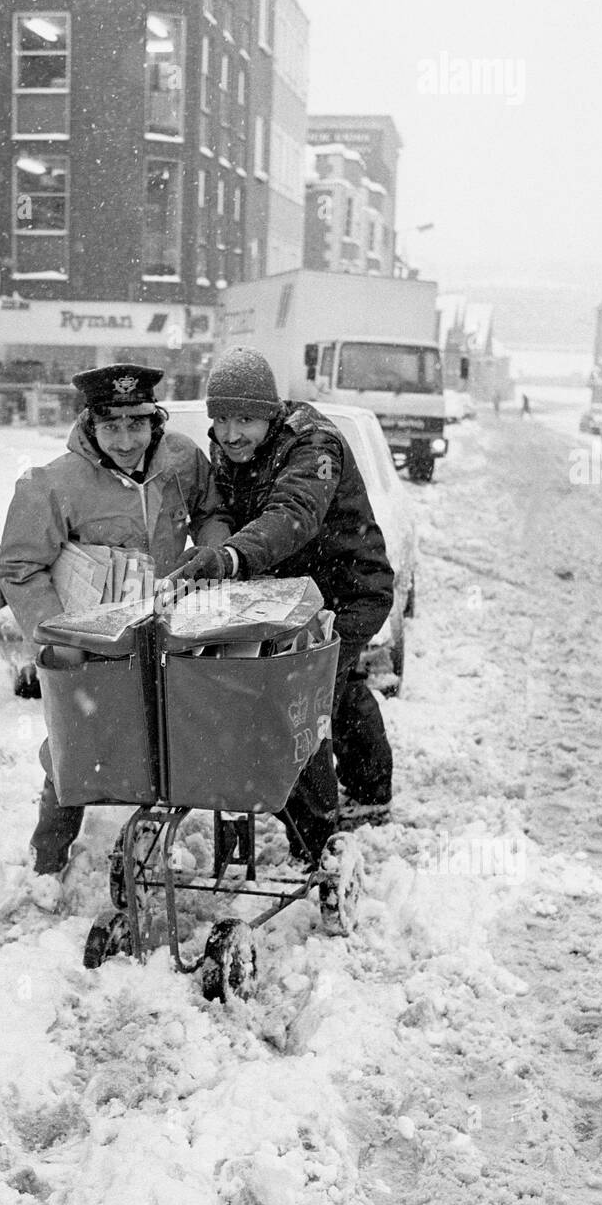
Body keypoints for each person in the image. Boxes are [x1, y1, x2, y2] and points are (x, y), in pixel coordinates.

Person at [0, 362, 231, 877]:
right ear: (90, 426)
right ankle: (48, 859)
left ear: (155, 421)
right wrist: (58, 634)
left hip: (167, 628)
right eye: (111, 426)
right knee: (75, 746)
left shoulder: (182, 459)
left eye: (137, 424)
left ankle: (178, 841)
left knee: (182, 734)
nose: (125, 440)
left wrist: (210, 557)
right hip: (94, 641)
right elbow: (15, 565)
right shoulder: (52, 484)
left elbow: (212, 511)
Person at [172, 346, 395, 865]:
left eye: (244, 419)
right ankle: (369, 787)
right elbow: (224, 508)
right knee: (334, 688)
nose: (229, 434)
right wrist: (217, 545)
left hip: (349, 588)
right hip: (289, 594)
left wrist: (230, 558)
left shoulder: (314, 444)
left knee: (306, 703)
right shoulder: (231, 448)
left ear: (270, 413)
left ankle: (313, 839)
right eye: (221, 419)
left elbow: (293, 514)